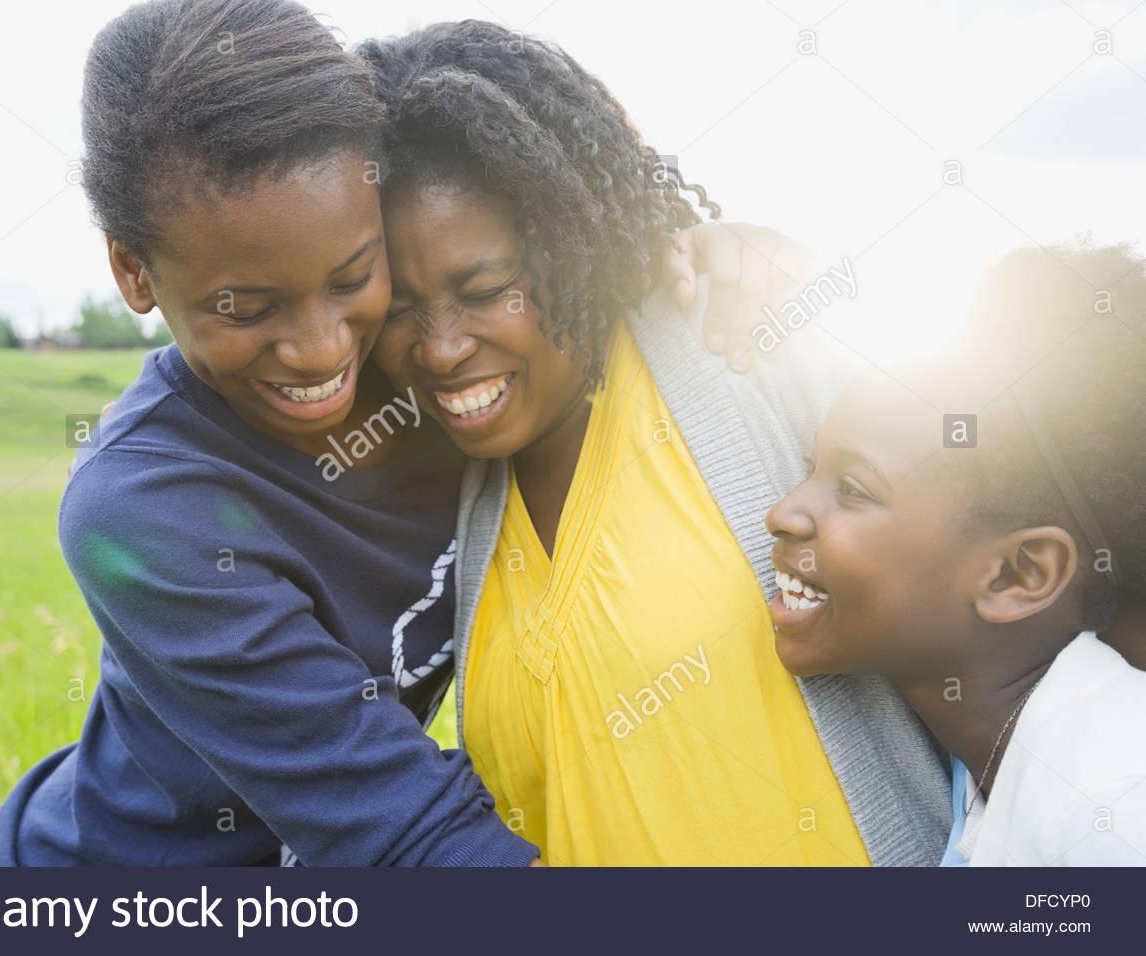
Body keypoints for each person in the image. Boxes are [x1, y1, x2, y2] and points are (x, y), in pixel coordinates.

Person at [0, 0, 780, 866]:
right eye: (246, 307)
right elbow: (407, 835)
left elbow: (557, 233)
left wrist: (697, 246)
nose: (323, 351)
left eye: (357, 277)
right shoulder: (143, 507)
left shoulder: (435, 370)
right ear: (133, 269)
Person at [363, 20, 950, 865]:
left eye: (487, 290)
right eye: (396, 311)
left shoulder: (742, 343)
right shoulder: (450, 490)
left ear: (575, 243)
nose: (443, 346)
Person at [763, 242, 1146, 865]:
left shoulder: (1113, 812)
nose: (780, 513)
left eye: (854, 490)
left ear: (1016, 576)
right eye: (811, 467)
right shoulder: (986, 766)